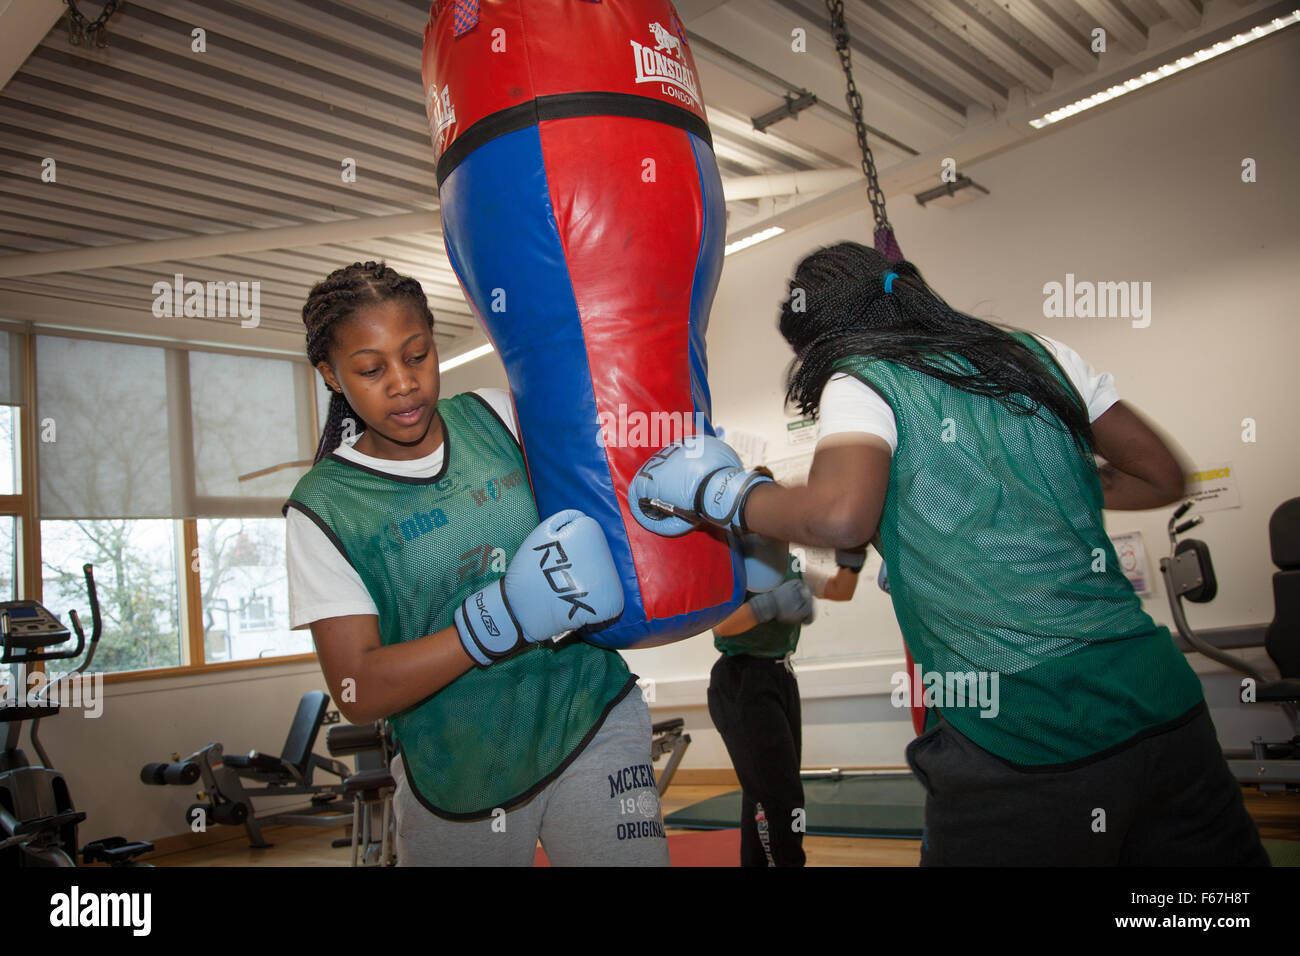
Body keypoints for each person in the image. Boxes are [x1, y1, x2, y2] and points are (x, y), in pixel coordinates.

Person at [629, 241, 1270, 867]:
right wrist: (1038, 494)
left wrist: (723, 493)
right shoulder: (1037, 351)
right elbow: (1161, 475)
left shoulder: (863, 375)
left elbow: (836, 513)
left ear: (825, 337)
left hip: (1020, 727)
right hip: (1160, 703)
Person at [283, 260, 668, 867]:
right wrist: (498, 622)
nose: (403, 383)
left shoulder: (497, 415)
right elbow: (356, 688)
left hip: (589, 716)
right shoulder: (324, 509)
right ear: (332, 375)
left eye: (417, 356)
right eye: (371, 369)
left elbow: (606, 503)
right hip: (458, 772)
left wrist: (682, 499)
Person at [708, 499, 863, 867]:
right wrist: (767, 606)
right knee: (778, 795)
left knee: (766, 790)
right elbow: (721, 626)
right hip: (741, 679)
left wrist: (852, 553)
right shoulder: (737, 566)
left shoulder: (791, 565)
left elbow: (841, 590)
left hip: (780, 677)